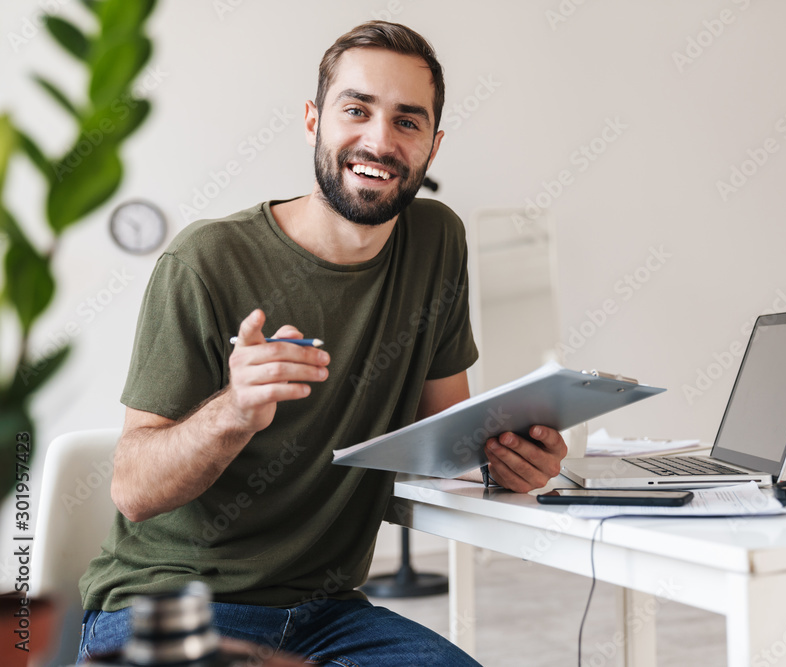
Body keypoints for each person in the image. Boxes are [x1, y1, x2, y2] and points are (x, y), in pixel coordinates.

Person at [77, 20, 568, 666]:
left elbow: (447, 433)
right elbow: (134, 489)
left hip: (328, 612)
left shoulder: (437, 241)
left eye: (407, 121)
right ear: (313, 120)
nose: (379, 140)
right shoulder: (206, 260)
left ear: (433, 145)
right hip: (170, 601)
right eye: (356, 110)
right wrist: (235, 409)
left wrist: (506, 459)